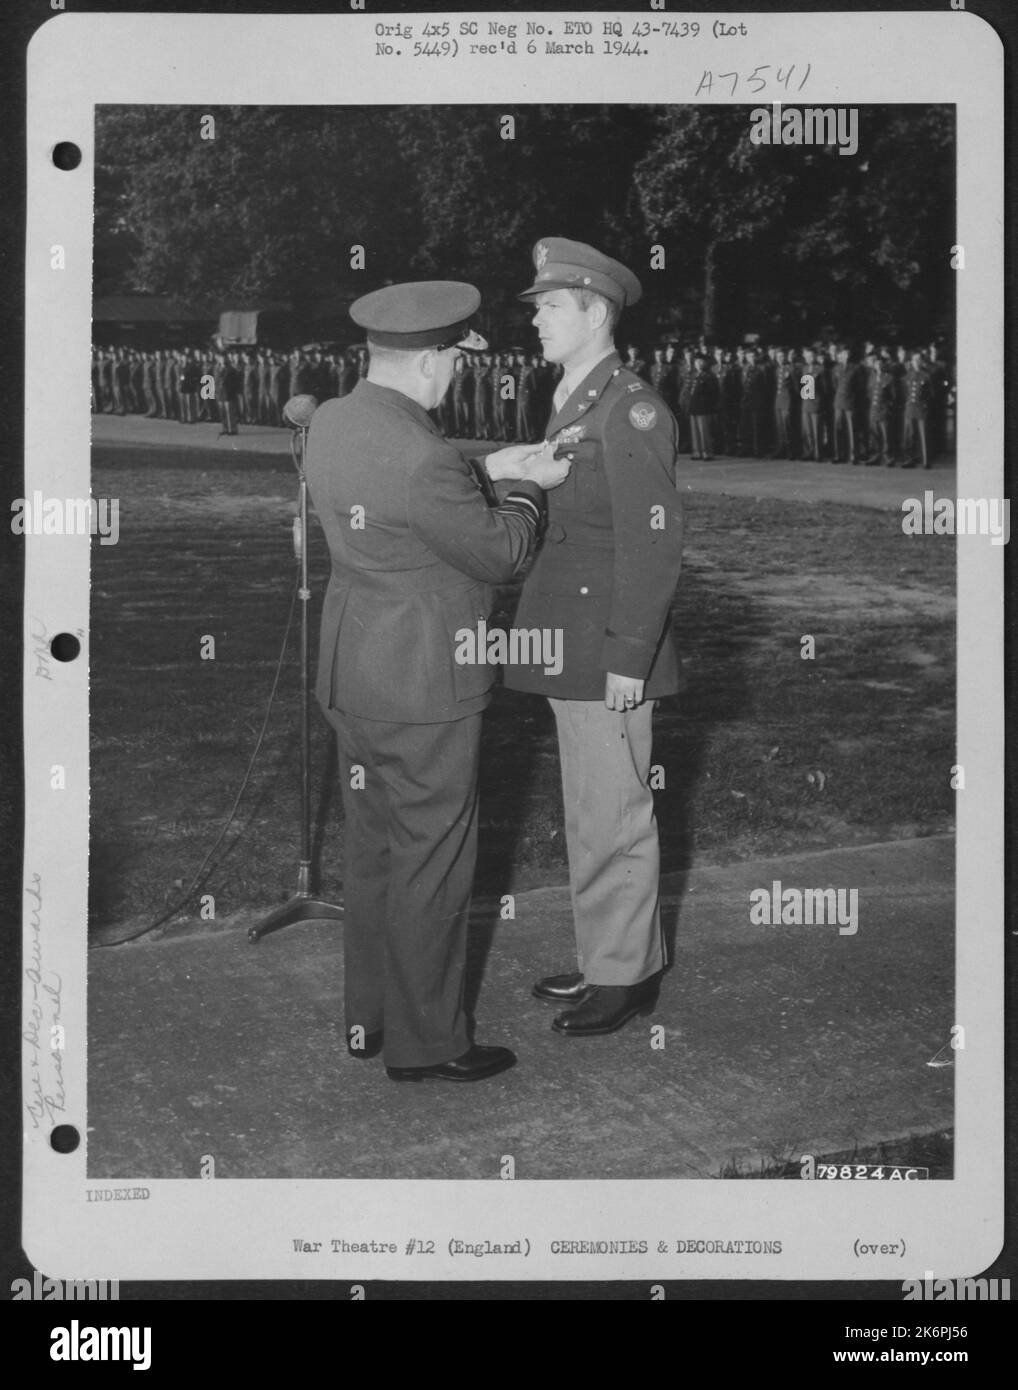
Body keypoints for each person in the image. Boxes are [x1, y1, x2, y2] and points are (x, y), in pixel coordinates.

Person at [305, 280, 571, 1082]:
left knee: (376, 855)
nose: (458, 375)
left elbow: (398, 496)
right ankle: (431, 1046)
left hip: (355, 672)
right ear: (431, 362)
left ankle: (371, 1020)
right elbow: (501, 553)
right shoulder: (423, 457)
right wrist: (528, 486)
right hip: (424, 686)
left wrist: (486, 465)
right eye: (456, 361)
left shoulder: (332, 420)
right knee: (433, 863)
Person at [504, 237, 684, 1038]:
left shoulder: (630, 408)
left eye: (549, 305)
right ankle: (604, 955)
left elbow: (653, 544)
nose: (536, 320)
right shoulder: (577, 396)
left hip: (606, 649)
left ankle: (627, 976)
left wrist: (627, 657)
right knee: (589, 809)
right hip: (569, 640)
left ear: (595, 311)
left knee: (615, 810)